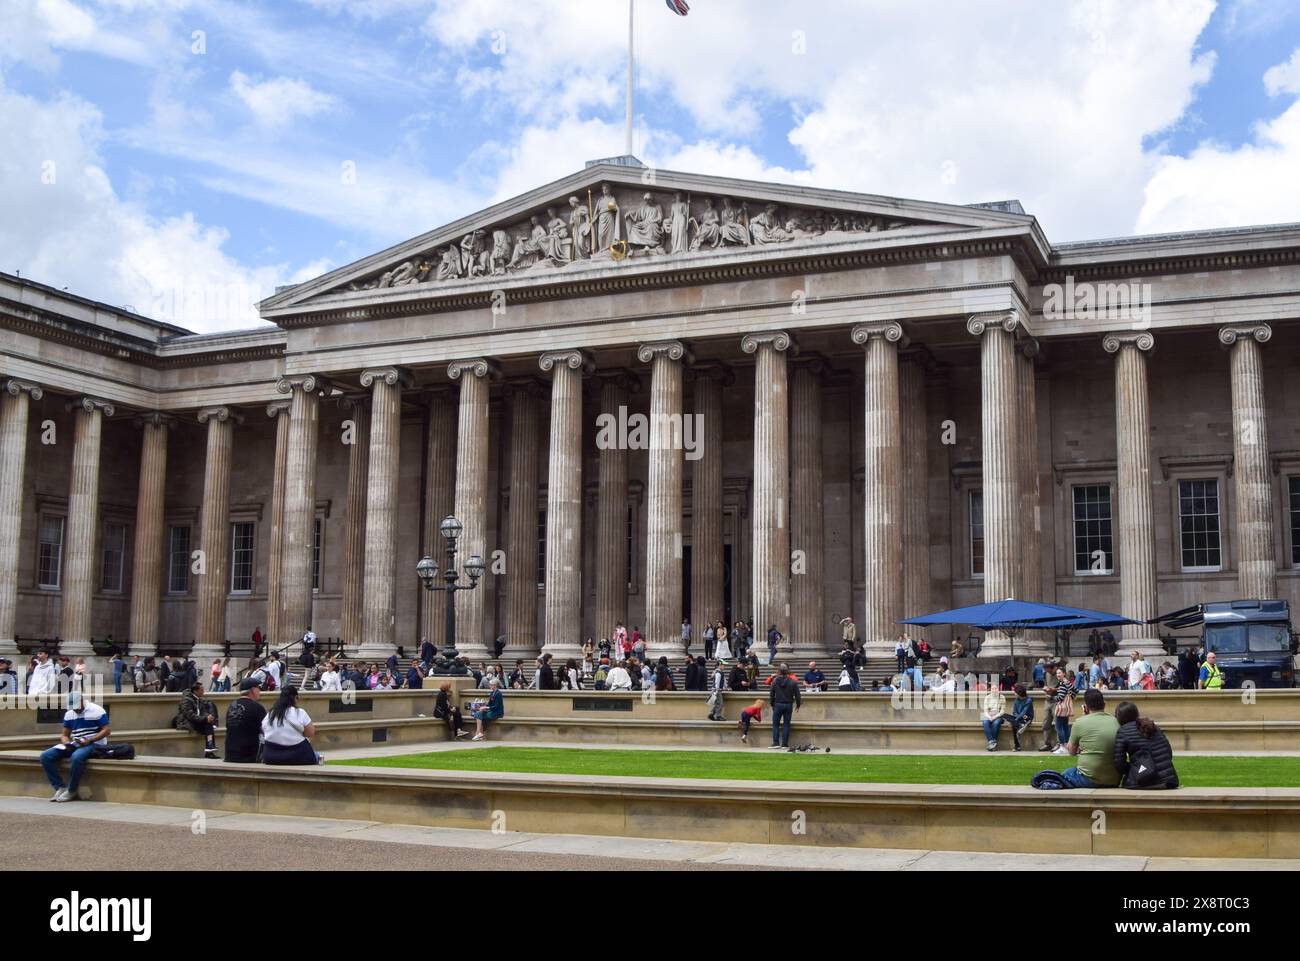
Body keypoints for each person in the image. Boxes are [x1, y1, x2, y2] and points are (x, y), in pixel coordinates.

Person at [40, 691, 110, 801]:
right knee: (46, 756)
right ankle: (60, 787)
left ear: (82, 701)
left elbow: (106, 730)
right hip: (75, 743)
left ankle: (72, 790)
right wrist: (66, 743)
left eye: (76, 706)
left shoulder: (96, 710)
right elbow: (64, 735)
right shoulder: (69, 714)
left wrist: (90, 740)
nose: (75, 709)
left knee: (76, 757)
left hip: (94, 743)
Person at [1059, 688, 1121, 788]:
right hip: (1114, 779)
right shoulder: (1116, 721)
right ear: (1104, 704)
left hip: (1088, 777)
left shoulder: (1079, 723)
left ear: (1086, 707)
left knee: (1063, 775)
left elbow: (1071, 751)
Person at [1113, 701, 1179, 789]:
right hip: (1169, 780)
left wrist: (1135, 769)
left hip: (1142, 780)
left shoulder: (1123, 731)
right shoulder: (1153, 726)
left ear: (1119, 717)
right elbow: (1168, 753)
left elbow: (1119, 764)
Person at [261, 686, 320, 765]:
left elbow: (264, 729)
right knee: (317, 755)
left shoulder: (270, 714)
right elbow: (310, 733)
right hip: (298, 755)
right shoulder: (299, 712)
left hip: (271, 756)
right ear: (295, 698)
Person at [223, 676, 267, 763]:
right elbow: (267, 730)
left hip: (230, 755)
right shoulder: (257, 707)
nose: (259, 691)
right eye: (258, 688)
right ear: (253, 690)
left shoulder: (232, 705)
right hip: (248, 756)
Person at [175, 682, 219, 759]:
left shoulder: (199, 700)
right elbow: (190, 715)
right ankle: (210, 749)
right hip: (186, 722)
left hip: (197, 721)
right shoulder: (186, 700)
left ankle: (209, 749)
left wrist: (208, 717)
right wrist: (205, 719)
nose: (203, 692)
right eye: (201, 690)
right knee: (208, 725)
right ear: (195, 691)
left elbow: (203, 712)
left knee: (209, 726)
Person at [769, 663, 801, 750]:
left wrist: (772, 704)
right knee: (786, 724)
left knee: (775, 724)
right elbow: (797, 695)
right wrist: (798, 704)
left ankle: (776, 742)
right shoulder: (792, 681)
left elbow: (772, 694)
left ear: (779, 671)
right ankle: (785, 744)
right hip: (788, 704)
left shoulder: (775, 681)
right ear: (788, 671)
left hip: (778, 704)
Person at [1049, 666, 1075, 754]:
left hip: (1061, 708)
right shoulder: (1067, 683)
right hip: (1066, 708)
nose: (1058, 675)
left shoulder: (1063, 683)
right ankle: (1067, 745)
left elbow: (1060, 697)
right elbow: (1075, 691)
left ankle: (1062, 746)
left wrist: (1051, 697)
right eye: (1057, 673)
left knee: (1059, 727)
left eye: (1059, 673)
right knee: (1066, 727)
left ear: (1064, 673)